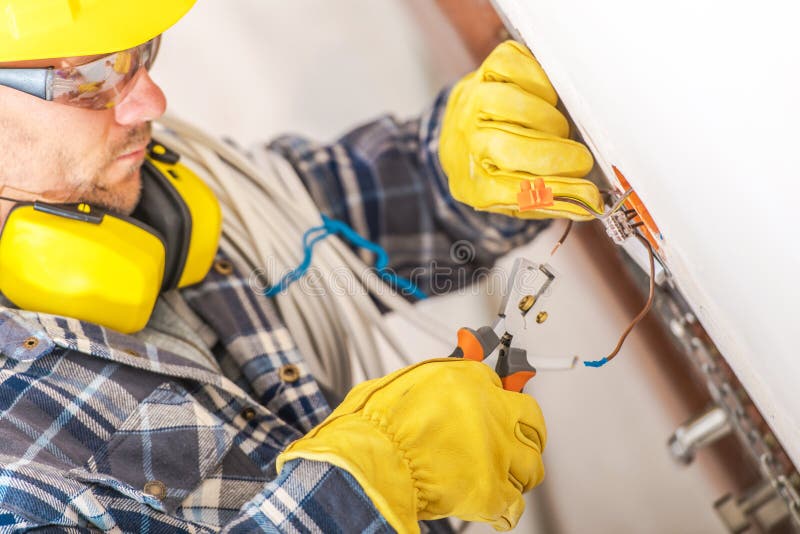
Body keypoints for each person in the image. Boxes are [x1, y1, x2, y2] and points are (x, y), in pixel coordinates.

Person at [0, 1, 601, 532]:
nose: (151, 99)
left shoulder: (144, 187)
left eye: (138, 54)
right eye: (87, 77)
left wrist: (459, 161)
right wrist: (364, 492)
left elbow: (332, 228)